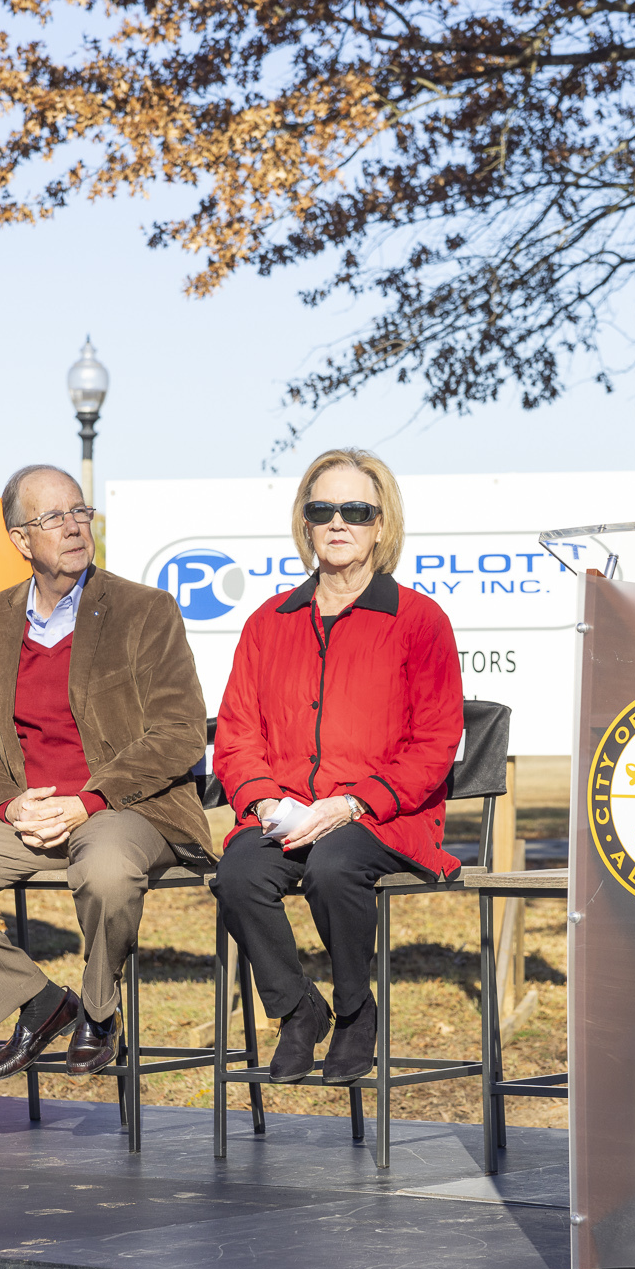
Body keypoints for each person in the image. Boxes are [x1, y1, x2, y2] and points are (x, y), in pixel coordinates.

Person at [0, 465, 211, 1082]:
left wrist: (90, 801)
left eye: (80, 512)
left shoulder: (144, 610)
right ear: (19, 539)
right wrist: (11, 804)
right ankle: (39, 1003)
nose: (72, 527)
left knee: (108, 869)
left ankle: (96, 1010)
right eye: (52, 517)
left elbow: (179, 733)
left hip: (124, 809)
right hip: (25, 812)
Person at [212, 448, 464, 1086]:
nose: (338, 523)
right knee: (237, 875)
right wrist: (266, 802)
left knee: (332, 864)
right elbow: (238, 732)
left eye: (356, 510)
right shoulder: (268, 623)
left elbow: (434, 743)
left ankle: (355, 1009)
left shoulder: (419, 621)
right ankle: (299, 1009)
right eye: (323, 510)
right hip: (286, 812)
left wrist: (351, 805)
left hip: (381, 818)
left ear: (382, 525)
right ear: (306, 523)